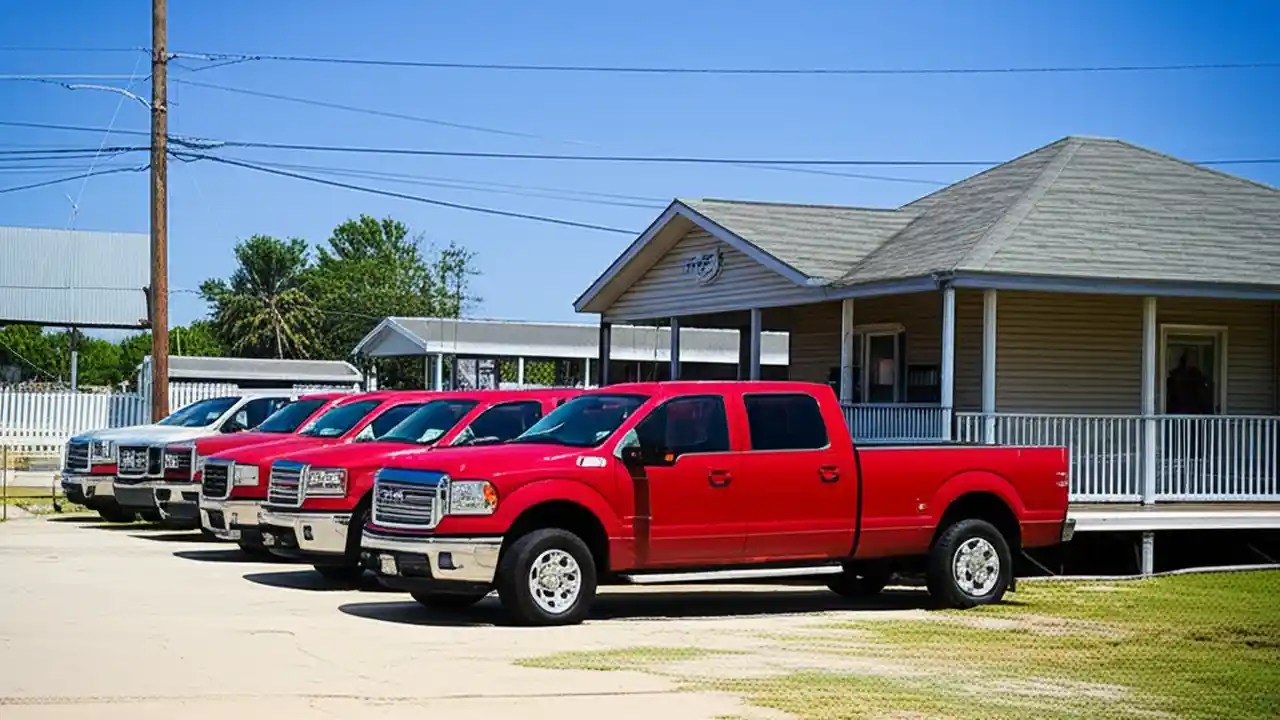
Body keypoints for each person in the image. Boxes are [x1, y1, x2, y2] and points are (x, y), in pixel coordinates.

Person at [1166, 350, 1212, 414]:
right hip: (1178, 412)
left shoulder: (1197, 380)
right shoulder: (1174, 379)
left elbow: (1203, 398)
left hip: (1192, 413)